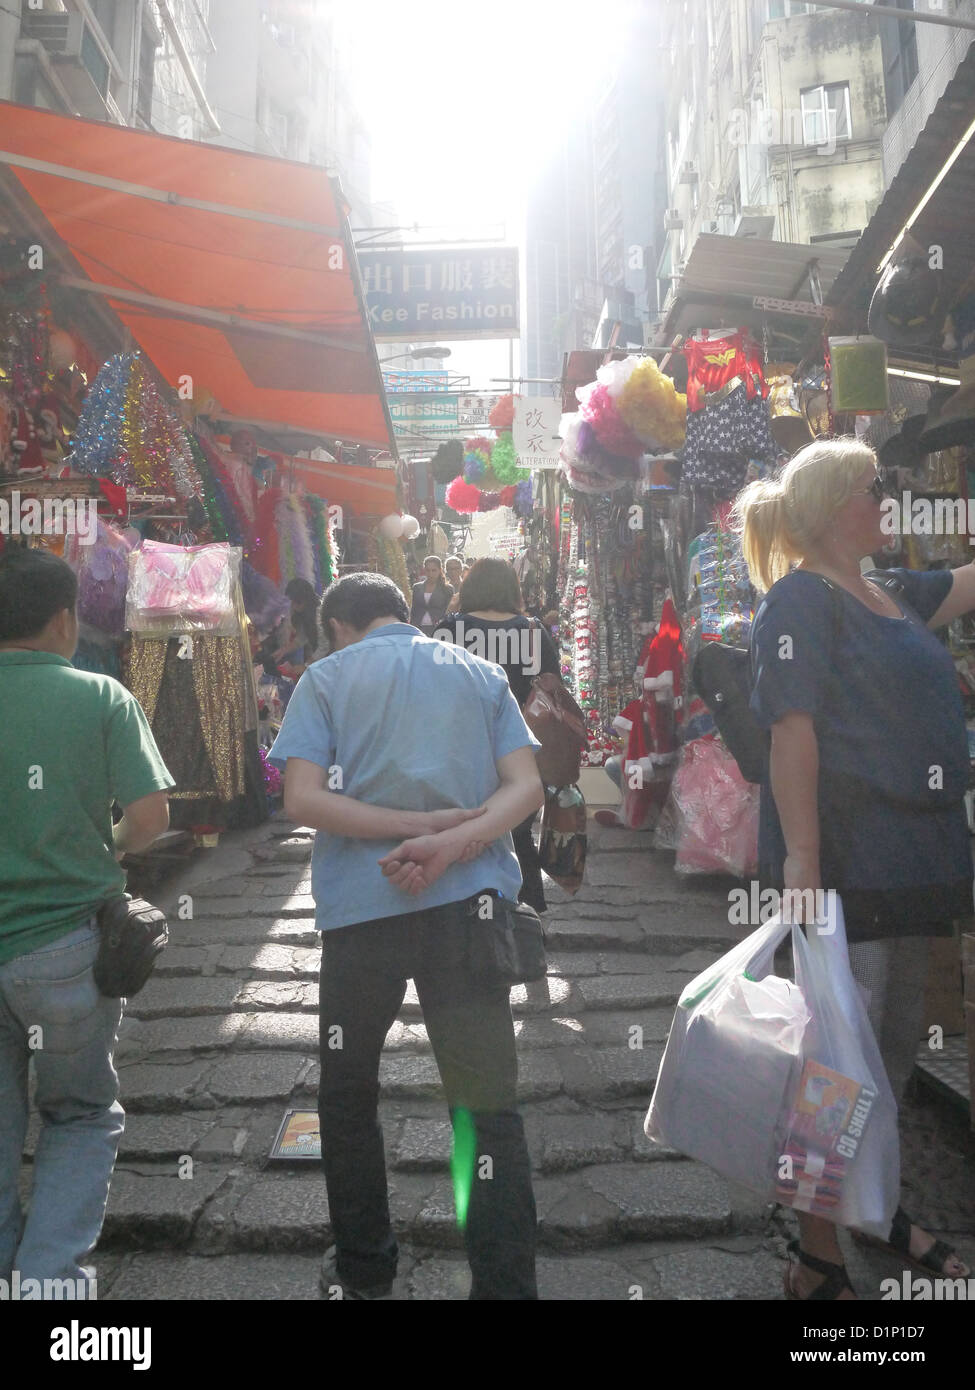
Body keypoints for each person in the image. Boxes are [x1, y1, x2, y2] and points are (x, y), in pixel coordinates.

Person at [736, 437, 975, 1300]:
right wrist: (802, 858)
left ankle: (871, 1210)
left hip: (915, 861)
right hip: (849, 866)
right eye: (878, 487)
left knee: (892, 1056)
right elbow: (789, 731)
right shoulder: (801, 598)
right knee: (838, 1071)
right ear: (838, 502)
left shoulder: (890, 593)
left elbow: (967, 582)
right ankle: (815, 1254)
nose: (891, 498)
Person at [268, 571, 544, 1300]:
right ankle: (505, 1284)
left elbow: (302, 798)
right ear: (401, 614)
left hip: (363, 916)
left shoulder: (324, 678)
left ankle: (365, 1268)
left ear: (338, 626)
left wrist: (406, 829)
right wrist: (450, 841)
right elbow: (525, 788)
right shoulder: (480, 673)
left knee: (348, 1091)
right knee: (484, 1103)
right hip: (468, 909)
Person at [0, 548, 173, 1295]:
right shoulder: (100, 696)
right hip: (66, 948)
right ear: (66, 618)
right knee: (77, 1113)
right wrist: (104, 847)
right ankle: (45, 1285)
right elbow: (148, 818)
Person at [435, 557, 560, 913]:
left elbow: (435, 687)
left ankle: (470, 901)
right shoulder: (533, 630)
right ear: (512, 590)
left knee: (465, 820)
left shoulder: (451, 629)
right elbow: (553, 687)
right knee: (518, 829)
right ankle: (528, 911)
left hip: (462, 744)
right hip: (523, 743)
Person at [409, 555, 454, 632]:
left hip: (439, 629)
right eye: (428, 570)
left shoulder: (447, 589)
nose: (430, 574)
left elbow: (449, 611)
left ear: (440, 570)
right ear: (424, 570)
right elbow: (413, 610)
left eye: (434, 570)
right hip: (418, 628)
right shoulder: (417, 587)